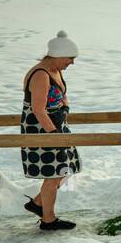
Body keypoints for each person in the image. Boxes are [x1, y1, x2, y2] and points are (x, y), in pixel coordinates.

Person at [21, 31, 80, 230]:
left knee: (67, 167)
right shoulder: (40, 74)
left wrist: (65, 107)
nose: (72, 63)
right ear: (58, 55)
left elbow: (61, 95)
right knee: (56, 173)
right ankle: (48, 219)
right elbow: (38, 109)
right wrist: (53, 134)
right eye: (70, 58)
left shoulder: (55, 70)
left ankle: (38, 203)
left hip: (57, 126)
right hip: (43, 129)